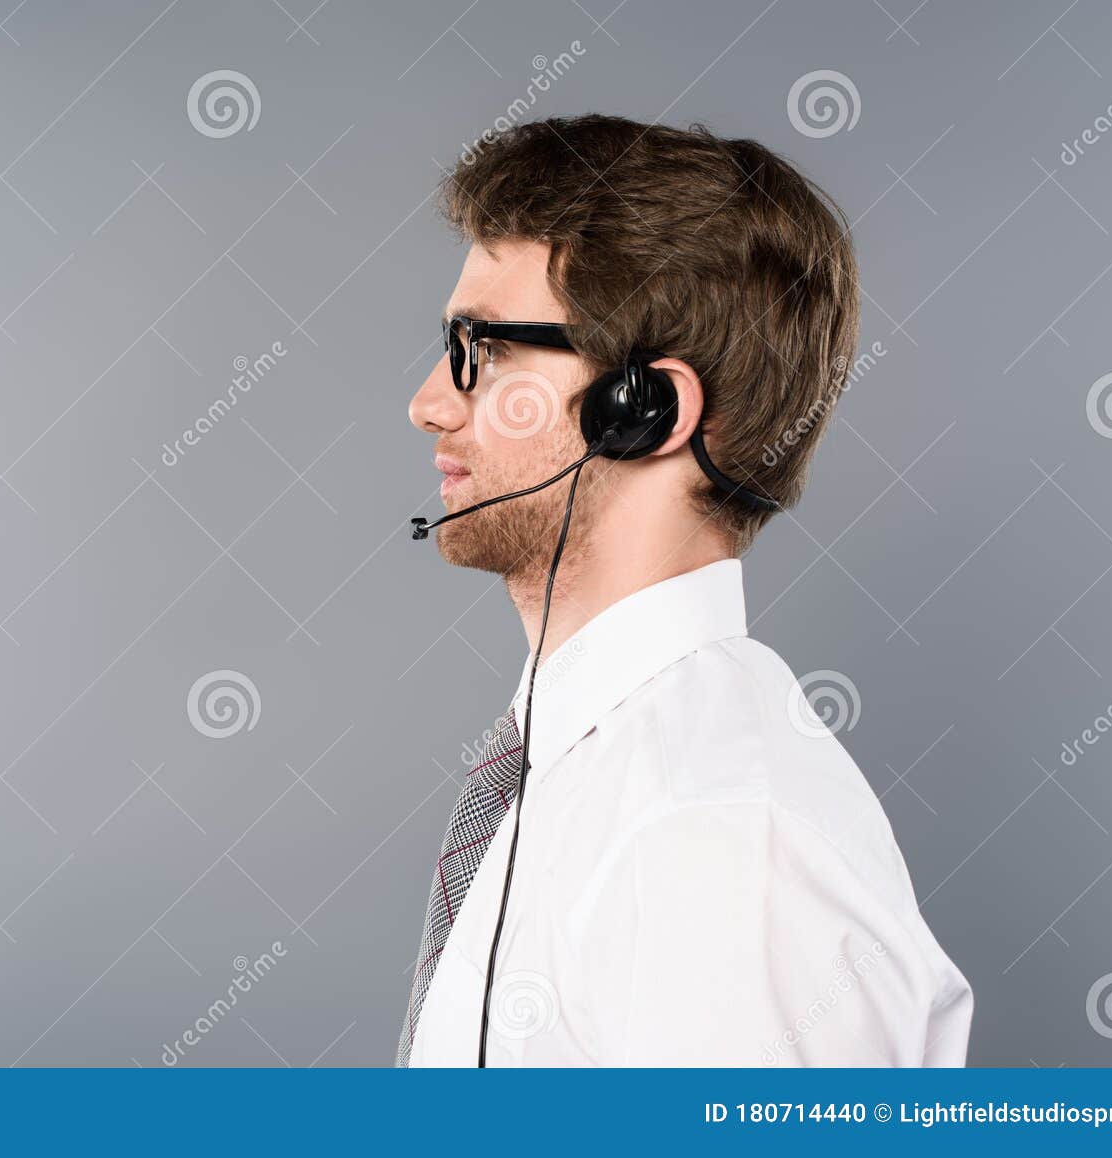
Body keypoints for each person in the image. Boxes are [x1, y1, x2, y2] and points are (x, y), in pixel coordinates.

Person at [398, 115, 972, 1067]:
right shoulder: (591, 762)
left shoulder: (717, 835)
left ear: (644, 409)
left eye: (485, 350)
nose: (428, 400)